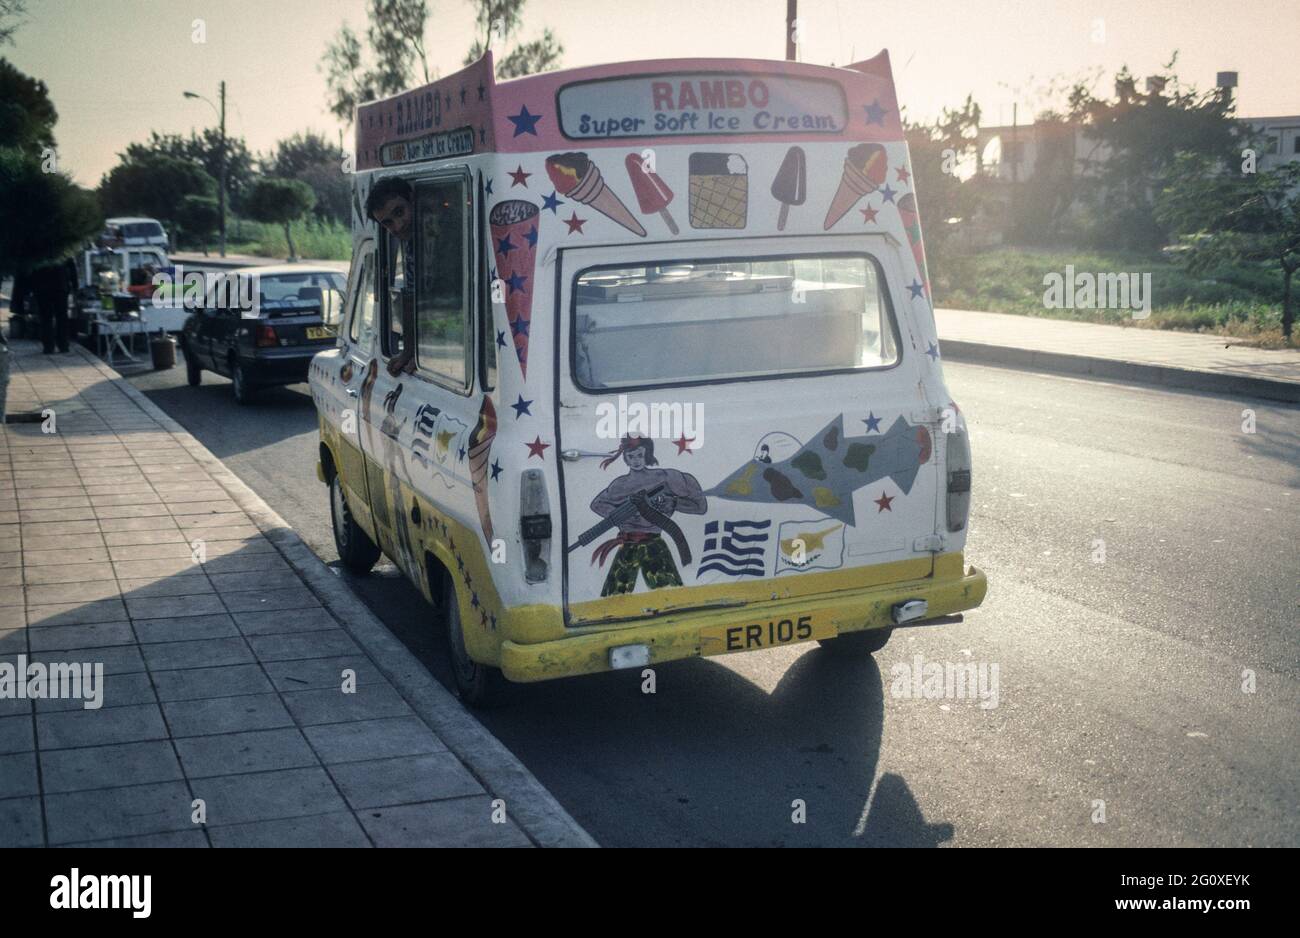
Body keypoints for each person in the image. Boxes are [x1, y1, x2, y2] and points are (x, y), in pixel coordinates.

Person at [365, 177, 417, 377]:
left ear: (412, 200)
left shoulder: (439, 232)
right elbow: (411, 296)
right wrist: (409, 351)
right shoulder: (411, 244)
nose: (398, 225)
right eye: (388, 223)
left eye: (399, 212)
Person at [29, 259, 73, 354]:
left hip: (42, 287)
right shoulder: (61, 251)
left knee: (46, 317)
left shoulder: (38, 251)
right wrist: (74, 284)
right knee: (62, 317)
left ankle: (49, 346)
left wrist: (31, 287)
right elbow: (70, 265)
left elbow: (31, 267)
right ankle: (63, 345)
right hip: (60, 285)